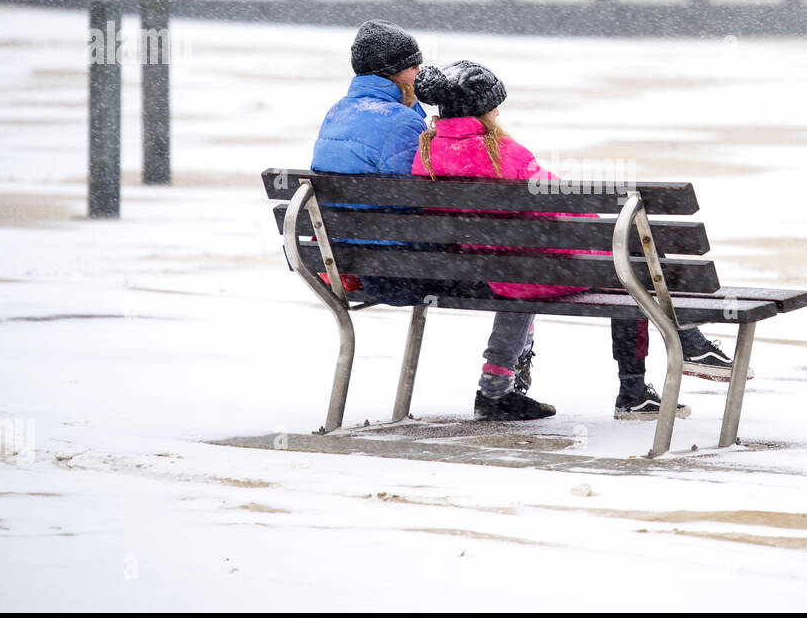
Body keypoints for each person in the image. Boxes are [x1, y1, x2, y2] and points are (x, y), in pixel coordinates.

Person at [412, 60, 742, 421]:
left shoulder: (426, 154)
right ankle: (656, 370)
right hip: (531, 275)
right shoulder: (507, 155)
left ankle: (495, 389)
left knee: (525, 269)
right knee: (632, 257)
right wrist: (597, 226)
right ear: (487, 110)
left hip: (487, 272)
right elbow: (561, 209)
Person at [310, 21, 548, 419]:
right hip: (407, 273)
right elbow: (431, 203)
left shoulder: (338, 113)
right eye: (414, 68)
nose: (420, 76)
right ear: (395, 72)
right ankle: (501, 390)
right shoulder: (402, 123)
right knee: (520, 268)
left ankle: (504, 388)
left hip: (356, 269)